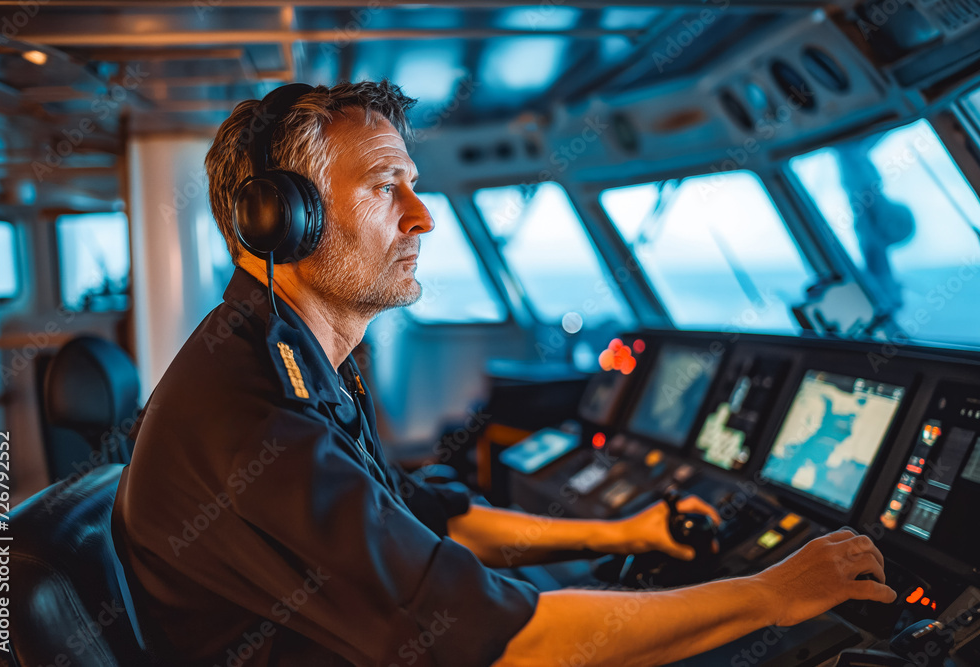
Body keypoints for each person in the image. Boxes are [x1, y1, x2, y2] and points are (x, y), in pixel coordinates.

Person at [111, 80, 897, 667]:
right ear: (284, 219)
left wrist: (622, 531)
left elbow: (433, 520)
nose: (423, 216)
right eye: (386, 187)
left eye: (414, 186)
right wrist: (770, 593)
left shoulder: (291, 361)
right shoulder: (256, 415)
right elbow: (512, 643)